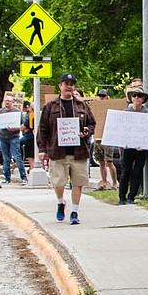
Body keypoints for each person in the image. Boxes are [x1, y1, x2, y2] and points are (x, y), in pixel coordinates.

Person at [38, 73, 97, 225]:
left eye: (72, 84)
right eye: (66, 83)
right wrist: (42, 149)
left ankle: (75, 212)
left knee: (78, 182)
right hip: (57, 152)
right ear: (60, 86)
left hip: (79, 152)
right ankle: (60, 203)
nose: (69, 86)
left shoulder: (82, 106)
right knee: (58, 183)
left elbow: (92, 124)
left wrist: (86, 131)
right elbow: (42, 129)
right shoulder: (50, 107)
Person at [118, 83, 148, 205]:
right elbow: (121, 130)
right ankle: (122, 197)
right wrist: (123, 143)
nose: (137, 98)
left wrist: (144, 143)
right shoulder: (125, 112)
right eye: (134, 95)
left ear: (143, 98)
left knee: (138, 171)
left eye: (139, 96)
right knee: (125, 171)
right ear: (131, 98)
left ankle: (131, 196)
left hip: (141, 148)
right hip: (128, 147)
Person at [0, 96, 27, 185]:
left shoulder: (17, 112)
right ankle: (7, 177)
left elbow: (22, 125)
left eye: (9, 101)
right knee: (6, 158)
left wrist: (15, 129)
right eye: (6, 101)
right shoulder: (1, 111)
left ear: (12, 102)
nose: (7, 102)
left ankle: (23, 177)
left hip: (14, 137)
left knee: (17, 157)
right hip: (3, 137)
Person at [92, 88, 119, 191]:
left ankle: (114, 183)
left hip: (108, 137)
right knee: (101, 161)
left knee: (109, 161)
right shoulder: (96, 108)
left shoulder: (111, 107)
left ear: (108, 97)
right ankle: (104, 182)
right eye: (100, 96)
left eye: (104, 96)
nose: (102, 98)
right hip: (98, 138)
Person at [20, 100, 35, 173]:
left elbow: (22, 128)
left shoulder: (31, 117)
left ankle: (32, 169)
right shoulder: (40, 116)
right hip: (36, 138)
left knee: (30, 157)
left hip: (29, 138)